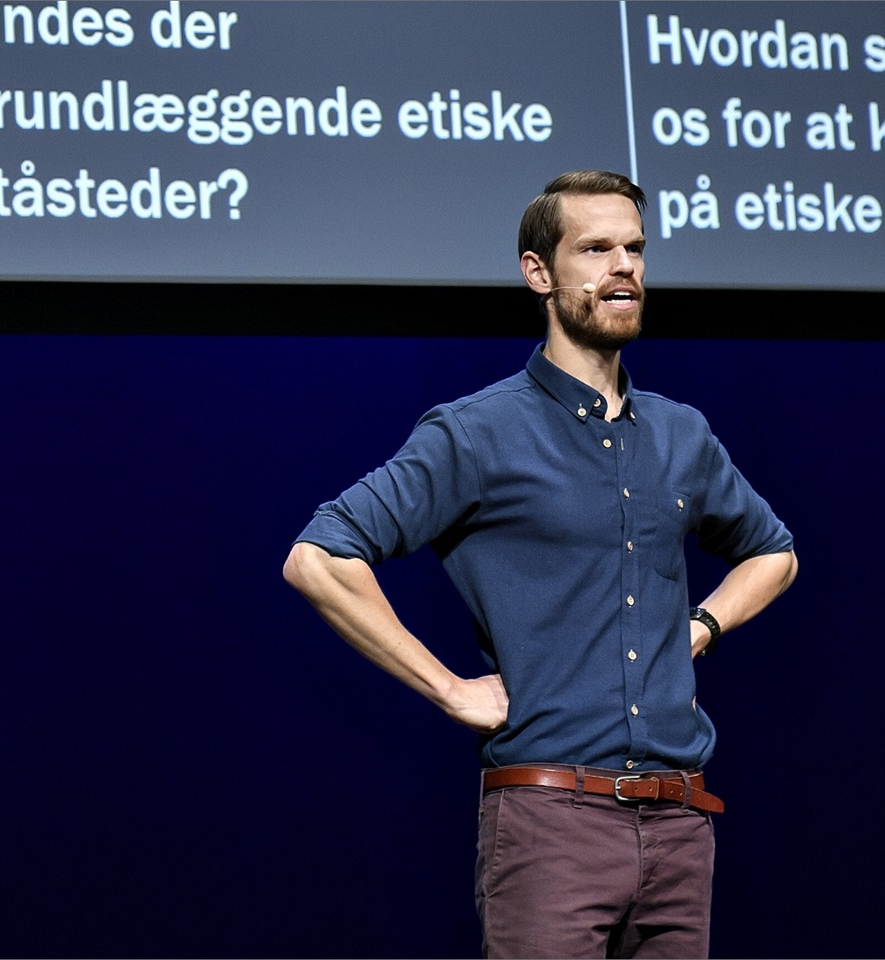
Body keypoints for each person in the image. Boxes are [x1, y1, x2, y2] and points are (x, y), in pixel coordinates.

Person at [282, 170, 797, 959]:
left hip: (679, 822)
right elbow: (319, 557)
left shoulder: (680, 434)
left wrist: (699, 626)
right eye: (595, 249)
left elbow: (774, 552)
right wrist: (447, 687)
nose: (623, 267)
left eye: (635, 249)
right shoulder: (478, 432)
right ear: (539, 273)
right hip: (553, 822)